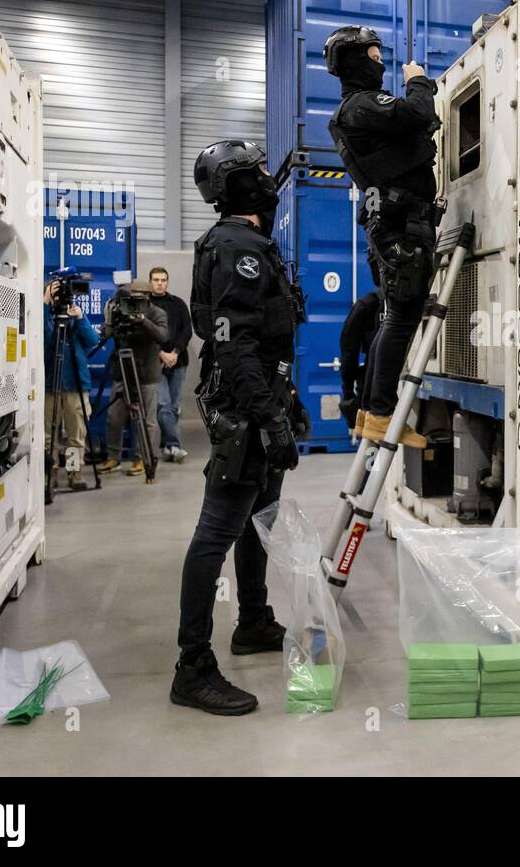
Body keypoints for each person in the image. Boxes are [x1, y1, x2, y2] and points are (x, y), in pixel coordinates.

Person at [172, 139, 308, 716]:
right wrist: (267, 414)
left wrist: (286, 400)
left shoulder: (253, 244)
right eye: (255, 170)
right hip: (246, 408)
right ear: (236, 185)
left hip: (264, 397)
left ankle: (252, 620)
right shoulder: (236, 246)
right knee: (216, 532)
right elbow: (234, 345)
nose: (266, 176)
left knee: (260, 517)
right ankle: (191, 666)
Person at [325, 24, 441, 448]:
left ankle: (367, 413)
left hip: (391, 226)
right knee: (402, 319)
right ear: (356, 60)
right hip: (402, 227)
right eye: (374, 56)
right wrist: (418, 81)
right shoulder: (361, 105)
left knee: (392, 319)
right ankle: (381, 413)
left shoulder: (357, 110)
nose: (380, 62)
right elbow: (418, 114)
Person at [98, 279, 169, 476]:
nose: (134, 302)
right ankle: (113, 457)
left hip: (147, 374)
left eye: (139, 298)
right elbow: (108, 333)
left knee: (147, 421)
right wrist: (111, 318)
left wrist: (143, 320)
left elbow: (164, 337)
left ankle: (144, 458)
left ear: (147, 298)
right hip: (123, 371)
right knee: (114, 418)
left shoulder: (157, 313)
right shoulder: (120, 309)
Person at [42, 280, 99, 491]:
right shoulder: (45, 317)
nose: (61, 299)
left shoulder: (74, 317)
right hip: (50, 385)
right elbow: (43, 340)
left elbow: (93, 339)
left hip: (76, 384)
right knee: (48, 435)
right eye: (56, 294)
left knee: (76, 434)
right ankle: (50, 473)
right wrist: (45, 305)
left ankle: (75, 473)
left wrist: (80, 318)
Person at [148, 266, 194, 463]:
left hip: (178, 361)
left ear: (167, 282)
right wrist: (161, 355)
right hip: (153, 363)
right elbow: (144, 335)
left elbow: (186, 331)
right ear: (150, 282)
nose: (160, 283)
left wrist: (174, 353)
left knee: (174, 406)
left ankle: (167, 446)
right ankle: (175, 445)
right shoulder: (145, 305)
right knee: (163, 404)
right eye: (156, 280)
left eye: (163, 280)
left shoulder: (178, 304)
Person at [339, 289, 382, 435]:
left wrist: (348, 392)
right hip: (402, 381)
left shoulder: (367, 304)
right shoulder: (406, 300)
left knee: (372, 444)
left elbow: (349, 350)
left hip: (371, 387)